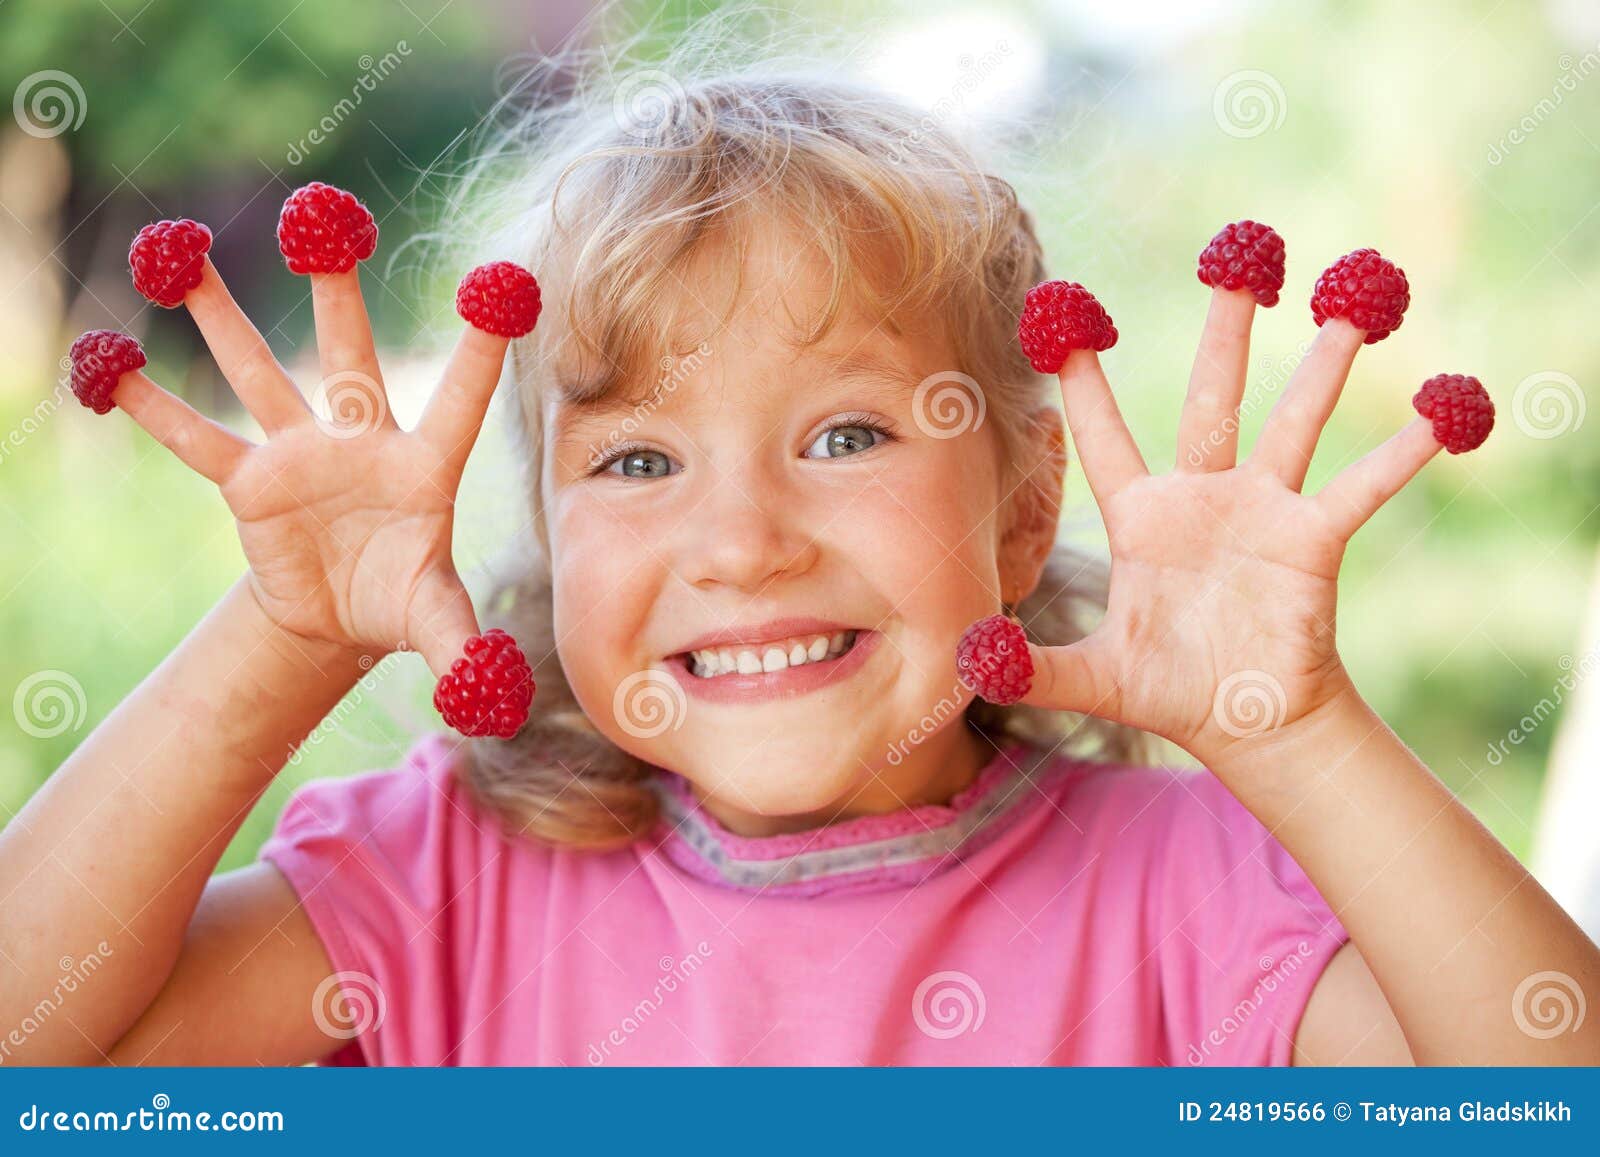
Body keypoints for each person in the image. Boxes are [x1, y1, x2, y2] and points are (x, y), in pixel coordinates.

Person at [4, 43, 1596, 1067]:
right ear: (549, 548)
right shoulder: (444, 884)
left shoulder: (1190, 893)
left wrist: (1299, 736)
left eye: (845, 436)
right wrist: (280, 641)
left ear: (1022, 508)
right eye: (638, 461)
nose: (743, 543)